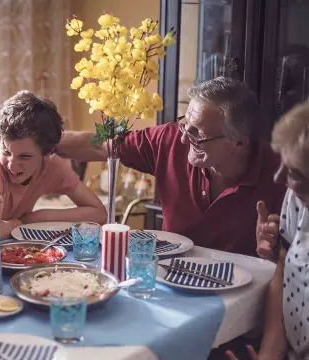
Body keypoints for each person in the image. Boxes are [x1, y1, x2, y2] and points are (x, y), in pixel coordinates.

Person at [56, 77, 287, 256]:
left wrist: (275, 247)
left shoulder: (283, 171)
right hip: (171, 279)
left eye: (199, 135)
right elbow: (102, 146)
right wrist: (42, 141)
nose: (185, 140)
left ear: (239, 142)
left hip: (241, 292)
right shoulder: (170, 139)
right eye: (186, 124)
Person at [226, 101, 309, 360]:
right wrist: (269, 353)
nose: (278, 178)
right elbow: (284, 271)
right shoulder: (298, 200)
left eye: (294, 172)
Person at [0, 90, 107, 239]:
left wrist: (38, 217)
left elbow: (99, 213)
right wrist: (18, 223)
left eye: (25, 156)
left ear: (47, 152)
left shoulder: (51, 165)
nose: (12, 166)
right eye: (6, 152)